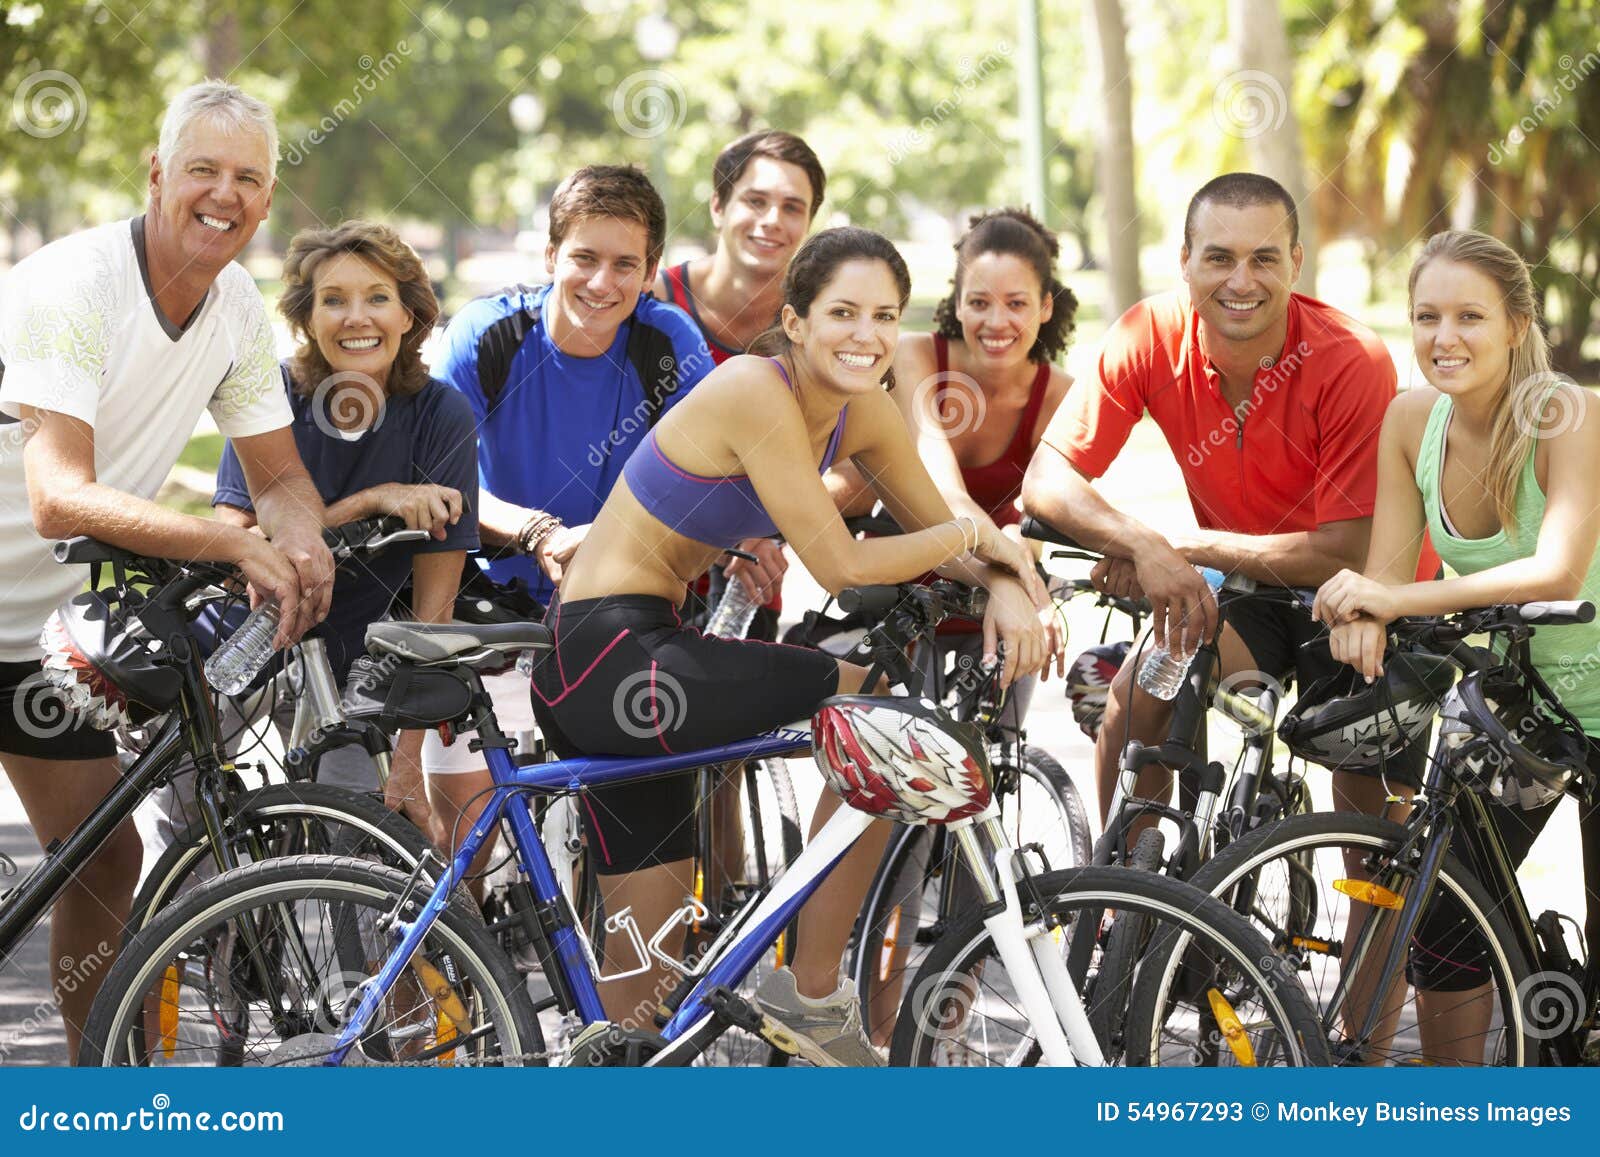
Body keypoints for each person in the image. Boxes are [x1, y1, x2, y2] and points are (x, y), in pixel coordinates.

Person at [529, 226, 1056, 1063]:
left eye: (885, 315)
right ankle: (814, 997)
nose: (866, 334)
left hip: (649, 662)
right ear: (797, 321)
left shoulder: (867, 410)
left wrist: (999, 580)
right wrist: (976, 540)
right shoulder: (752, 388)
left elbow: (943, 535)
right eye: (842, 311)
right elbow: (844, 564)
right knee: (883, 723)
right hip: (606, 656)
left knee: (643, 1026)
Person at [0, 81, 335, 1061]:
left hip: (38, 637)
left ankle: (92, 1089)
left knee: (103, 855)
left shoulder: (235, 307)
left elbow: (277, 476)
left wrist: (300, 538)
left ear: (267, 200)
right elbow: (59, 494)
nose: (222, 194)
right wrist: (228, 539)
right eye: (202, 169)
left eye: (247, 178)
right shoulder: (75, 283)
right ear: (156, 175)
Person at [1022, 171, 1438, 825]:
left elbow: (1345, 550)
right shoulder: (1148, 333)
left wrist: (1175, 547)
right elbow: (1046, 479)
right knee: (1136, 697)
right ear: (1184, 262)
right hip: (1251, 591)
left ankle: (1369, 932)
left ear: (1295, 263)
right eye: (1219, 257)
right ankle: (1128, 906)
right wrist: (1139, 547)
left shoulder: (1352, 358)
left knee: (1370, 825)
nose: (1241, 281)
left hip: (1370, 595)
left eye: (1264, 258)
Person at [1312, 229, 1600, 1064]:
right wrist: (1367, 613)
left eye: (1469, 315)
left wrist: (1391, 598)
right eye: (1426, 316)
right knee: (1444, 929)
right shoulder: (1410, 421)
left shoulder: (1568, 412)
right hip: (1518, 706)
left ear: (1516, 322)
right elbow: (1387, 570)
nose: (1445, 337)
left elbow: (1556, 572)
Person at [421, 166, 712, 864]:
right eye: (584, 257)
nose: (601, 283)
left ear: (650, 274)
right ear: (552, 257)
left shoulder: (669, 342)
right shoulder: (486, 335)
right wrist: (536, 531)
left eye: (625, 264)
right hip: (488, 598)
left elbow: (708, 473)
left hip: (617, 602)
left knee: (633, 834)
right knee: (462, 849)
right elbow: (436, 478)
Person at [187, 221, 475, 849]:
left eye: (377, 297)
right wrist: (374, 502)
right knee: (187, 818)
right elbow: (232, 544)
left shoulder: (440, 416)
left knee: (364, 840)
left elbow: (435, 613)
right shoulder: (272, 397)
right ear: (308, 318)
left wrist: (407, 762)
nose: (356, 317)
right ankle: (197, 943)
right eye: (333, 299)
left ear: (408, 315)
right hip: (245, 644)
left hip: (353, 669)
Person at [890, 207, 1077, 724]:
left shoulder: (1058, 395)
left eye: (1016, 303)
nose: (996, 322)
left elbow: (1037, 520)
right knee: (905, 766)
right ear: (957, 303)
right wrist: (1013, 574)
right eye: (978, 302)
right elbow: (942, 495)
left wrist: (1020, 576)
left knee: (991, 765)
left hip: (999, 588)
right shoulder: (917, 358)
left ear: (1044, 307)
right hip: (909, 586)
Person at [654, 130, 828, 636]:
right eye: (755, 201)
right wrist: (734, 523)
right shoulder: (656, 303)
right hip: (643, 565)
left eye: (793, 207)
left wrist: (768, 527)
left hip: (747, 584)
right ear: (718, 206)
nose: (773, 220)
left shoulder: (816, 326)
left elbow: (854, 463)